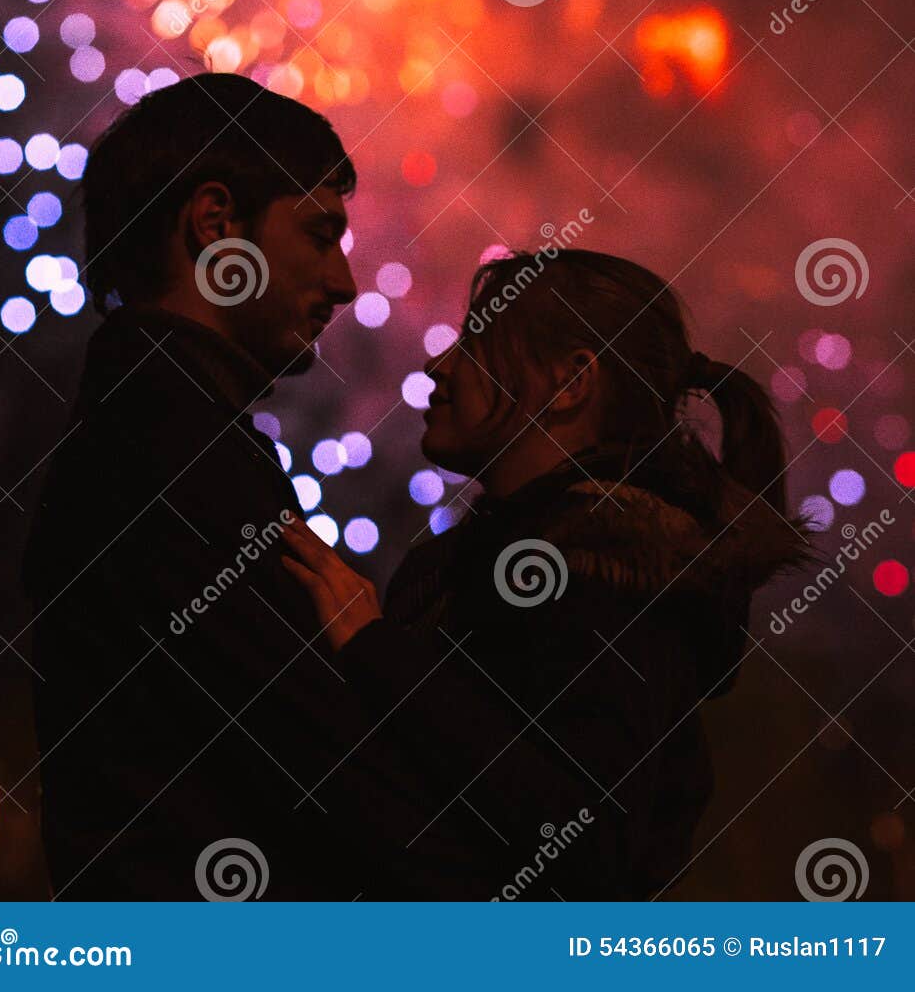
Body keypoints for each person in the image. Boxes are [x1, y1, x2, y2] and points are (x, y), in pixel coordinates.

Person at [23, 72, 491, 899]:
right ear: (215, 224)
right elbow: (324, 763)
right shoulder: (175, 452)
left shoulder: (156, 432)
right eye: (318, 234)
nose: (345, 284)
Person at [282, 247, 811, 900]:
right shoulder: (523, 565)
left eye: (476, 346)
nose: (436, 367)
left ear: (570, 382)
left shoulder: (605, 588)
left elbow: (583, 843)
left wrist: (377, 651)